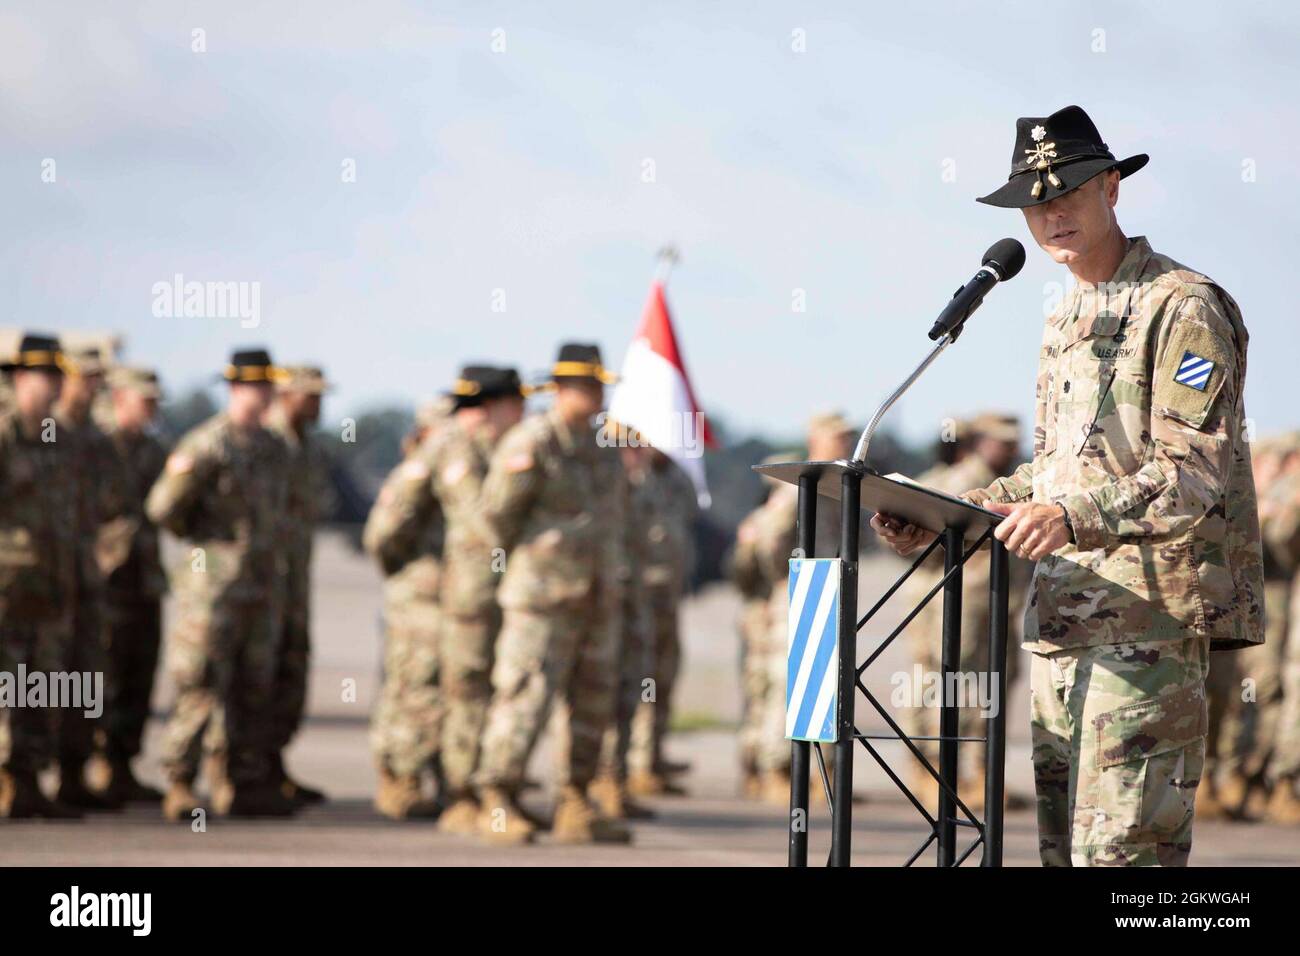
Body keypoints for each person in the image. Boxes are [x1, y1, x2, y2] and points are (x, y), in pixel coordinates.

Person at [873, 105, 1263, 866]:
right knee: (1062, 856)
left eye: (1069, 193)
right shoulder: (1068, 318)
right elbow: (1055, 474)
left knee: (1125, 858)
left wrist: (1068, 516)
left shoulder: (1181, 305)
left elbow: (1192, 473)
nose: (1050, 214)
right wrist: (954, 514)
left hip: (1146, 631)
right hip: (1062, 627)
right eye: (1035, 201)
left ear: (1112, 187)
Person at [472, 343, 630, 845]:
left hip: (596, 594)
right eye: (587, 385)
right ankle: (497, 798)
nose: (598, 393)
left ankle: (575, 802)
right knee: (525, 696)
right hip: (541, 598)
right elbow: (495, 516)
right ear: (559, 388)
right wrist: (537, 559)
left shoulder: (603, 446)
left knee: (592, 700)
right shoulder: (533, 440)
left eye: (600, 384)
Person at [146, 348, 296, 819]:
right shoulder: (206, 444)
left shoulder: (275, 448)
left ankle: (241, 782)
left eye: (267, 386)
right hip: (212, 592)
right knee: (200, 684)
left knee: (254, 688)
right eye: (254, 386)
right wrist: (207, 549)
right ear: (234, 389)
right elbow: (164, 508)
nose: (262, 395)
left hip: (262, 587)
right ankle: (181, 782)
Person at [419, 367, 528, 834]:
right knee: (465, 689)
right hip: (470, 591)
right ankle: (460, 795)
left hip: (507, 590)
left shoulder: (502, 449)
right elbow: (482, 521)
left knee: (501, 690)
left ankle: (495, 792)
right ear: (493, 406)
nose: (522, 413)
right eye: (514, 404)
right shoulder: (457, 449)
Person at [899, 413, 1027, 811]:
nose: (1009, 448)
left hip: (1001, 603)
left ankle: (983, 776)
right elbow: (924, 545)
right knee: (954, 687)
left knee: (996, 687)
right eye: (999, 441)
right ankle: (941, 773)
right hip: (959, 604)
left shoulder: (1020, 486)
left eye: (1012, 441)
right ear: (977, 441)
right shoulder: (960, 482)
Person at [0, 334, 80, 818]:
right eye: (45, 377)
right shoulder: (4, 433)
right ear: (19, 377)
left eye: (57, 377)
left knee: (43, 685)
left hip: (50, 585)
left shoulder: (60, 436)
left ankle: (29, 782)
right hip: (7, 587)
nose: (53, 386)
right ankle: (6, 781)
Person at [363, 397, 452, 820]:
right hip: (415, 600)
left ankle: (440, 779)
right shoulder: (415, 473)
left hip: (451, 600)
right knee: (409, 690)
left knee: (443, 693)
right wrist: (407, 575)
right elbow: (381, 536)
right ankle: (400, 779)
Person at [51, 346, 131, 810]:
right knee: (30, 679)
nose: (92, 387)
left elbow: (116, 502)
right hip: (35, 580)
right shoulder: (37, 434)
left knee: (84, 678)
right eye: (86, 377)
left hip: (85, 578)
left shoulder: (96, 442)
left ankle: (72, 775)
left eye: (99, 379)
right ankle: (17, 776)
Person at [89, 366, 168, 804]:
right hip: (105, 579)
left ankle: (121, 766)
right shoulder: (95, 447)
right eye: (146, 400)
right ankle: (91, 764)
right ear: (120, 397)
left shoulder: (154, 451)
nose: (153, 409)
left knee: (140, 672)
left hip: (145, 577)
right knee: (104, 674)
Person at [264, 365, 333, 806]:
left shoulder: (306, 449)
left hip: (293, 583)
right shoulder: (264, 443)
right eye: (309, 395)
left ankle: (271, 766)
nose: (318, 404)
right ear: (284, 393)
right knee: (253, 680)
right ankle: (242, 773)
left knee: (289, 675)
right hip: (256, 583)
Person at [625, 446, 699, 797]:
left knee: (664, 675)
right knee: (642, 677)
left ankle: (652, 755)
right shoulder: (628, 474)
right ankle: (636, 763)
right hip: (638, 593)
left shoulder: (676, 478)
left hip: (668, 593)